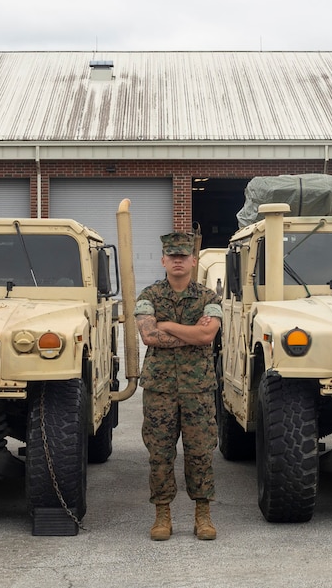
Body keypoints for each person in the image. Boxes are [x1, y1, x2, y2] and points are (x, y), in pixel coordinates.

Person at [134, 231, 223, 541]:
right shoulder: (148, 296)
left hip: (198, 389)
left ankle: (203, 515)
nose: (177, 260)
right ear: (163, 261)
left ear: (193, 261)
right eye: (172, 256)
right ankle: (162, 515)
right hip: (160, 388)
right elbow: (148, 336)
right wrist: (189, 332)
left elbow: (206, 337)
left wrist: (167, 325)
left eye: (183, 256)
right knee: (159, 453)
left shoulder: (208, 298)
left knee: (201, 452)